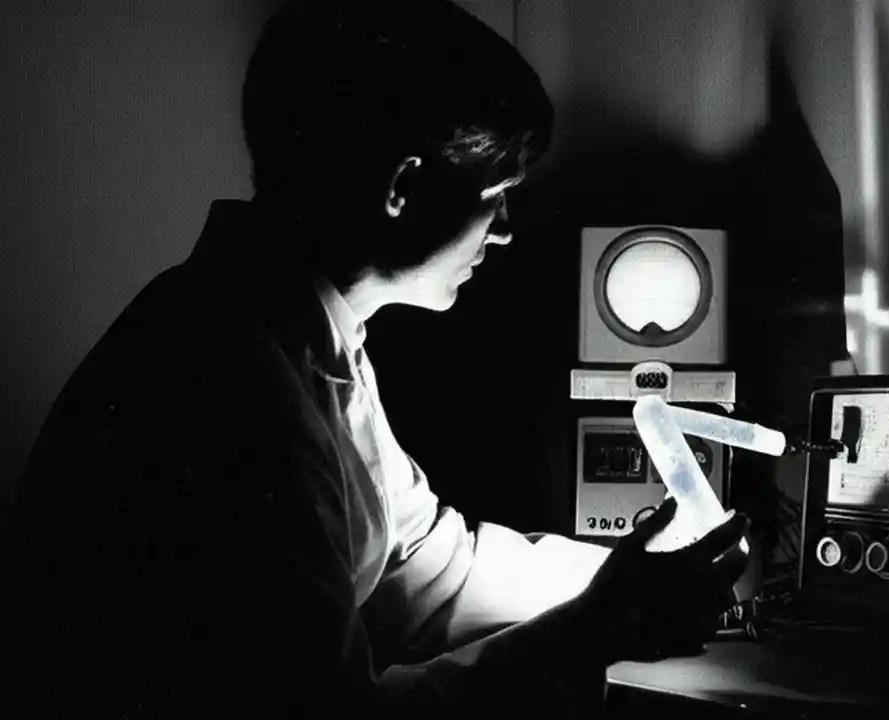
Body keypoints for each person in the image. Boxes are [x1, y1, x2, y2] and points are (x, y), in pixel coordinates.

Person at [3, 0, 749, 716]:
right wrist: (598, 626)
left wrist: (624, 580)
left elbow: (420, 562)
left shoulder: (308, 335)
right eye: (497, 194)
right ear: (404, 187)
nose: (505, 231)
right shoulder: (227, 387)